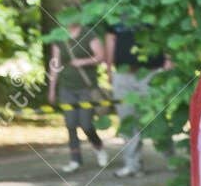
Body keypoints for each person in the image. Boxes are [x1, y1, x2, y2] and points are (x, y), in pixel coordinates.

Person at [48, 14, 109, 173]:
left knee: (86, 124)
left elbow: (101, 57)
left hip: (86, 87)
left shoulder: (88, 34)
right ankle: (75, 159)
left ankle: (99, 147)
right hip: (67, 87)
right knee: (70, 124)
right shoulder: (59, 36)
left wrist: (83, 61)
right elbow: (55, 64)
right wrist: (52, 88)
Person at [106, 24, 167, 177]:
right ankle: (133, 165)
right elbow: (110, 40)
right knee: (127, 119)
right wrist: (109, 70)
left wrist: (168, 59)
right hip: (123, 73)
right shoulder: (115, 12)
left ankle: (172, 162)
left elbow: (163, 31)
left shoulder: (149, 5)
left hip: (151, 72)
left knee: (158, 117)